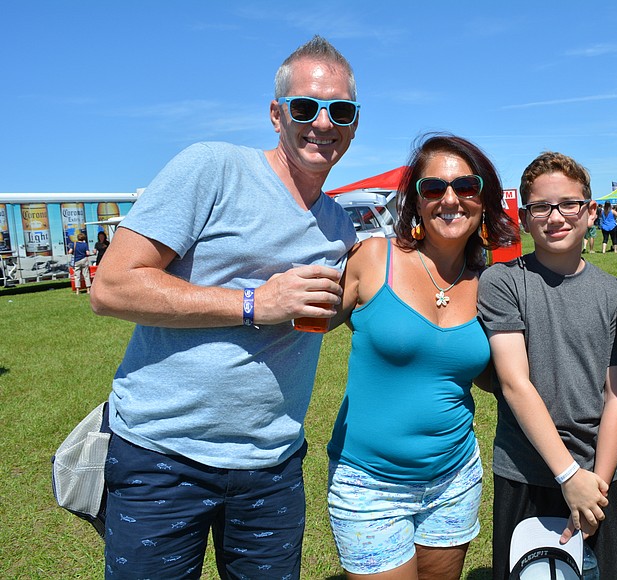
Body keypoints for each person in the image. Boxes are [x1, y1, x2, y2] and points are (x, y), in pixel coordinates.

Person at [89, 36, 359, 579]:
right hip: (163, 456)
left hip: (272, 464)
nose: (323, 123)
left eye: (341, 111)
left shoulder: (339, 225)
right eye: (306, 107)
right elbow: (113, 286)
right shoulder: (213, 168)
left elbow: (334, 310)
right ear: (276, 114)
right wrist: (258, 301)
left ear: (355, 123)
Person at [325, 134, 519, 579]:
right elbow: (299, 330)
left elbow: (496, 377)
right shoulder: (373, 259)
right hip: (368, 483)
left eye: (466, 187)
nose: (450, 199)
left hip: (454, 479)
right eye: (434, 188)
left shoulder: (488, 283)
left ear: (484, 199)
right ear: (416, 201)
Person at [478, 152, 617, 580]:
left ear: (591, 212)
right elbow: (514, 384)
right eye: (541, 207)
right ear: (525, 219)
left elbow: (616, 397)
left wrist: (594, 487)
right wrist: (567, 475)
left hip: (597, 480)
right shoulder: (503, 282)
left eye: (569, 204)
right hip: (526, 471)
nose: (556, 217)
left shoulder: (615, 295)